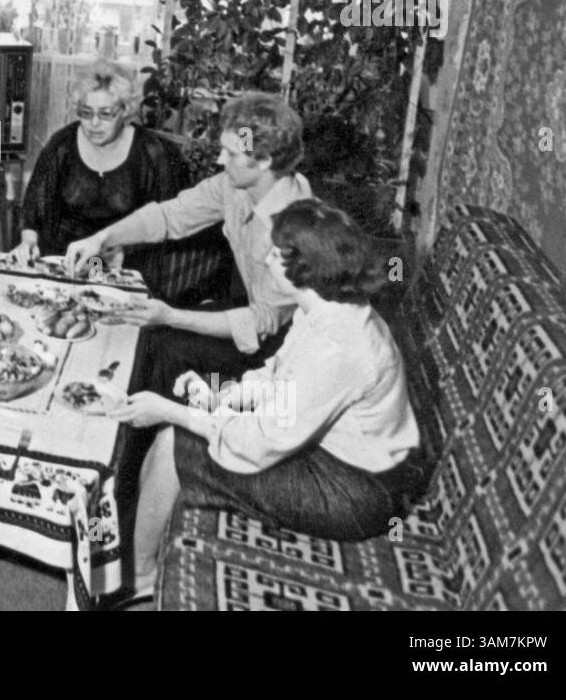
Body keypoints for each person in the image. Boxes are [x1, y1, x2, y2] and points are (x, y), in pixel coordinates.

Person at [113, 198, 423, 599]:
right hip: (333, 451)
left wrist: (172, 411)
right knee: (181, 425)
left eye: (277, 253)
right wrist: (220, 395)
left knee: (175, 439)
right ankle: (134, 560)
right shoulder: (325, 306)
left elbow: (259, 440)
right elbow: (279, 378)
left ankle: (138, 579)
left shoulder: (339, 346)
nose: (265, 257)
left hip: (357, 491)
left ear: (306, 268)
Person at [65, 91, 313, 393]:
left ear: (264, 160)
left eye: (232, 154)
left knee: (166, 348)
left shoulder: (295, 228)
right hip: (250, 313)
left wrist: (172, 316)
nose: (221, 160)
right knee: (149, 334)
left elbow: (263, 322)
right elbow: (169, 216)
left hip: (285, 352)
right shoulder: (234, 186)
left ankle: (149, 432)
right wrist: (101, 238)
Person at [10, 62, 228, 305]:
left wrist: (124, 250)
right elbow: (34, 206)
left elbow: (169, 221)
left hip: (129, 258)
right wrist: (28, 241)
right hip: (65, 257)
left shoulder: (155, 153)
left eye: (105, 114)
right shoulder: (62, 143)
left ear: (125, 110)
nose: (93, 123)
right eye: (85, 112)